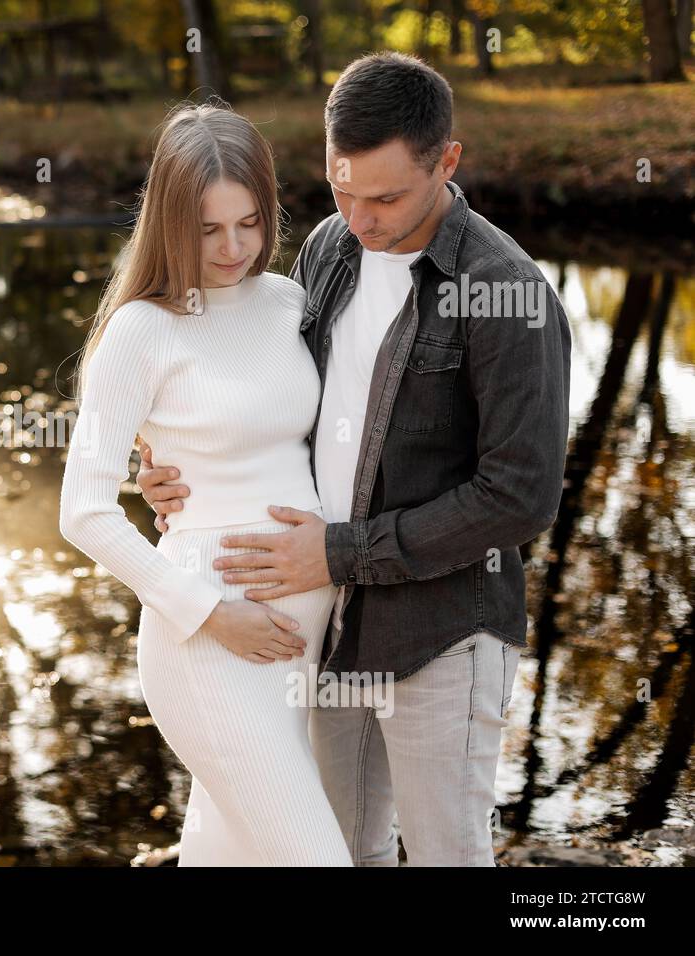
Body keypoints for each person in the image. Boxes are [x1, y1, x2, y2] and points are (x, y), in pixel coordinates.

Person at [136, 52, 572, 866]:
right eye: (341, 189)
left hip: (443, 632)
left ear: (447, 161)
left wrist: (337, 551)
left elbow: (520, 497)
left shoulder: (508, 294)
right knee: (336, 849)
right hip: (326, 627)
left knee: (447, 854)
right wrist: (175, 468)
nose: (360, 217)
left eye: (386, 197)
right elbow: (273, 403)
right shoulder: (330, 252)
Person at [58, 99, 352, 865]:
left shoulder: (288, 303)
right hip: (209, 645)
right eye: (208, 228)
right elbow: (84, 511)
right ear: (168, 221)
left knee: (229, 854)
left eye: (250, 222)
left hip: (298, 639)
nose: (232, 248)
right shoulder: (142, 329)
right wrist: (212, 612)